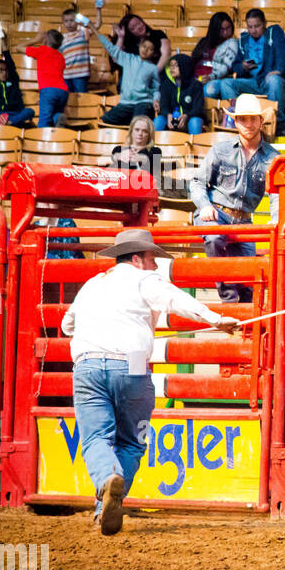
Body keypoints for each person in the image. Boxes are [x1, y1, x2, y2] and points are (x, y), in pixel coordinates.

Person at [61, 229, 238, 535]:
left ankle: (106, 480)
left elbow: (67, 325)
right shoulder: (145, 280)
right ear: (137, 258)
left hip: (88, 364)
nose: (156, 265)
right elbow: (174, 299)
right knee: (131, 441)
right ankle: (106, 502)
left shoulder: (92, 284)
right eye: (153, 258)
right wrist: (215, 319)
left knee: (95, 439)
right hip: (131, 364)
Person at [190, 94, 279, 302]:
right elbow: (197, 182)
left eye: (253, 119)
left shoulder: (273, 157)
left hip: (245, 220)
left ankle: (247, 327)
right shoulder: (220, 150)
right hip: (216, 213)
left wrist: (275, 218)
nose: (248, 124)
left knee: (249, 281)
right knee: (214, 238)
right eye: (243, 119)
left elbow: (276, 193)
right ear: (236, 122)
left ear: (261, 121)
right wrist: (203, 205)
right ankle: (228, 299)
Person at [215, 9, 285, 136]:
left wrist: (277, 70)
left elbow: (282, 58)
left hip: (270, 81)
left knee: (273, 80)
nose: (253, 30)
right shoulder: (244, 39)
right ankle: (236, 121)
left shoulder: (274, 32)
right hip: (253, 83)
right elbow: (235, 67)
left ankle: (278, 124)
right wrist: (243, 67)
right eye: (250, 27)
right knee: (225, 84)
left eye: (257, 26)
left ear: (265, 23)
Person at [91, 8, 161, 127]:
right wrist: (94, 29)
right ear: (139, 47)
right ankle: (129, 121)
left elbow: (156, 88)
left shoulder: (153, 68)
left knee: (139, 123)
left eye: (149, 49)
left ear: (154, 53)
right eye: (144, 47)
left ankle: (134, 124)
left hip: (143, 102)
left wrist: (156, 99)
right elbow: (111, 49)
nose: (145, 50)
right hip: (126, 103)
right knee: (105, 120)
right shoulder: (129, 59)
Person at [0, 39, 34, 126]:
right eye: (0, 70)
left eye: (5, 70)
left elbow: (11, 66)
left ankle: (7, 123)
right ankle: (1, 124)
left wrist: (5, 48)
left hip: (13, 113)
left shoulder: (13, 81)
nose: (4, 72)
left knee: (29, 112)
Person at [24, 28, 69, 127]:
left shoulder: (42, 51)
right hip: (63, 91)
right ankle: (58, 117)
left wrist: (36, 40)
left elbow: (18, 47)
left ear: (46, 40)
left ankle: (41, 140)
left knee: (44, 121)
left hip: (48, 90)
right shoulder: (61, 57)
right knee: (54, 116)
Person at [156, 54, 205, 135]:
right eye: (171, 66)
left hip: (190, 118)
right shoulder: (166, 85)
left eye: (176, 66)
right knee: (158, 120)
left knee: (195, 122)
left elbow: (198, 108)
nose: (172, 68)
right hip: (171, 118)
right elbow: (163, 106)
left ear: (184, 67)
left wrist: (186, 116)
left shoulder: (196, 85)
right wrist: (168, 115)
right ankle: (153, 146)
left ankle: (197, 146)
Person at [106, 115, 163, 179]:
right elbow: (113, 156)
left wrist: (141, 158)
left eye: (145, 131)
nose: (140, 133)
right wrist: (118, 156)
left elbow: (151, 160)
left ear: (149, 135)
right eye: (137, 130)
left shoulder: (155, 151)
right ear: (131, 132)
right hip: (122, 185)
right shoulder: (119, 149)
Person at [193, 12, 239, 85]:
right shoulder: (204, 42)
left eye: (228, 28)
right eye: (221, 29)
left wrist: (211, 77)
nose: (225, 32)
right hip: (197, 79)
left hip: (214, 81)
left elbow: (226, 68)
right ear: (215, 29)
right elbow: (193, 60)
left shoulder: (233, 44)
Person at [59, 8, 92, 94]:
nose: (69, 23)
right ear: (63, 23)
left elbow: (97, 26)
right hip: (66, 74)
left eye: (72, 20)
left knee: (81, 98)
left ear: (77, 21)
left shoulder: (83, 33)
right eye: (66, 21)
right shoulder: (61, 38)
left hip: (80, 74)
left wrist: (98, 10)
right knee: (67, 99)